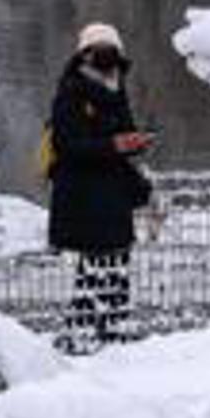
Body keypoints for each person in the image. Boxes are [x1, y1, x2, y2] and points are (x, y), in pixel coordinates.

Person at [47, 22, 153, 347]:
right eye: (99, 50)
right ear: (85, 54)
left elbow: (123, 130)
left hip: (113, 193)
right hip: (84, 195)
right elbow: (67, 145)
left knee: (116, 262)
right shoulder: (71, 91)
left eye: (112, 51)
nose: (106, 57)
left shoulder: (116, 87)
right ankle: (82, 334)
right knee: (94, 265)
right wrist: (115, 146)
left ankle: (113, 330)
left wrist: (135, 141)